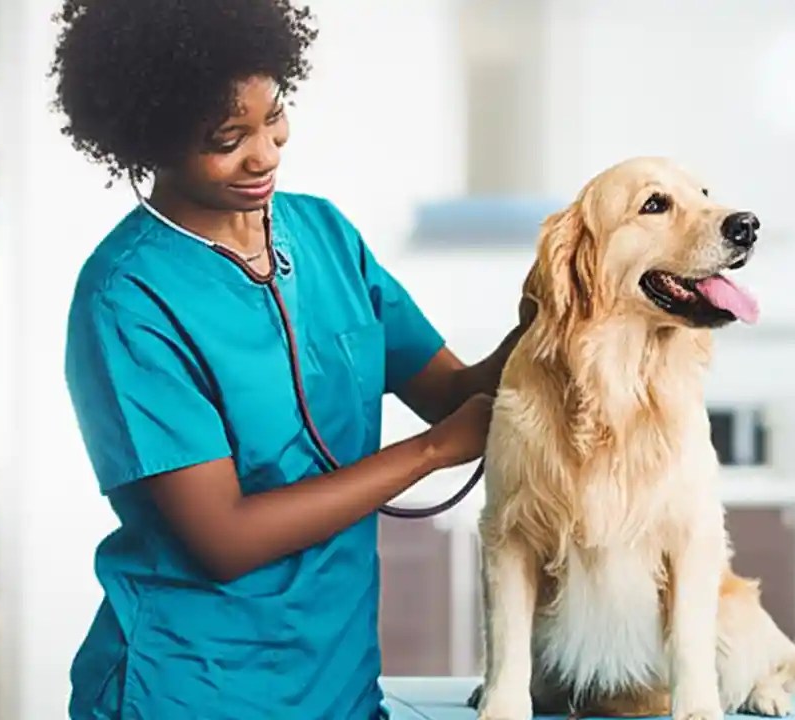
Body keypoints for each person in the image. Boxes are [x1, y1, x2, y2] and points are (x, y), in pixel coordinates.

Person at [51, 2, 532, 717]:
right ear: (150, 138)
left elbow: (453, 391)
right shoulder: (126, 300)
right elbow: (226, 538)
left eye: (273, 116)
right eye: (227, 138)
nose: (265, 153)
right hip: (193, 688)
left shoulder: (323, 233)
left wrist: (562, 308)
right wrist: (430, 452)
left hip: (337, 684)